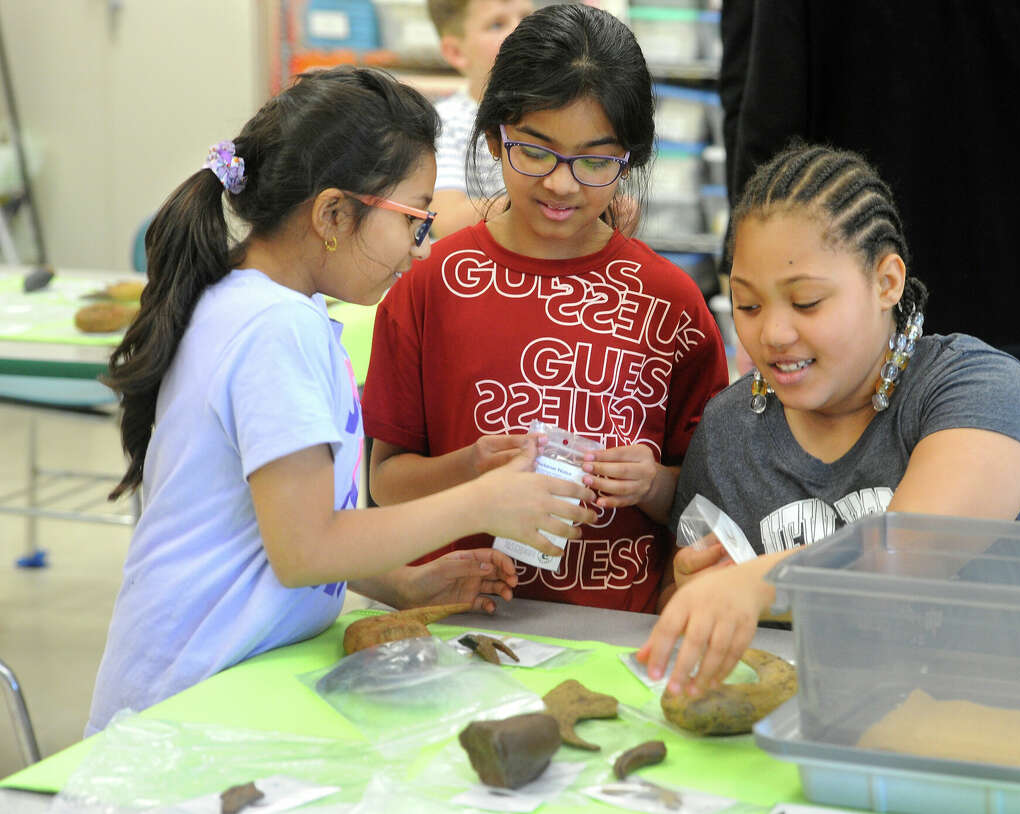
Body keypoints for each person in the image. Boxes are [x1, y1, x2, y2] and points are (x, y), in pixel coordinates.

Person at [88, 66, 596, 734]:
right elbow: (306, 547)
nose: (417, 253)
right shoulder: (275, 327)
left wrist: (399, 583)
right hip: (187, 707)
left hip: (220, 690)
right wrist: (482, 503)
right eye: (413, 221)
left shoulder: (269, 306)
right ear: (332, 214)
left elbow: (277, 533)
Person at [636, 142, 1020, 697]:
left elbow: (910, 549)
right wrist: (696, 593)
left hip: (991, 725)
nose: (774, 334)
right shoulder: (728, 428)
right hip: (804, 733)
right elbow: (680, 603)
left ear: (886, 282)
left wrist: (755, 584)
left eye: (808, 301)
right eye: (747, 305)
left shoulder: (979, 388)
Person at [363, 4, 729, 614]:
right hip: (456, 624)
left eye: (594, 161)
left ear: (629, 161)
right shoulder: (433, 286)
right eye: (534, 151)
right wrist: (471, 465)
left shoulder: (671, 304)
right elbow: (386, 482)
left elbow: (708, 502)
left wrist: (653, 482)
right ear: (491, 138)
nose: (561, 184)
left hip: (618, 630)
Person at [721, 1, 1020, 463]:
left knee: (846, 520)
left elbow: (768, 115)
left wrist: (762, 293)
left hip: (850, 292)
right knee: (1006, 515)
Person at [425, 0, 532, 239]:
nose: (522, 32)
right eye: (497, 24)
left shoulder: (558, 115)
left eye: (527, 18)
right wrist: (545, 204)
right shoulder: (444, 124)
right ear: (456, 52)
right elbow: (447, 219)